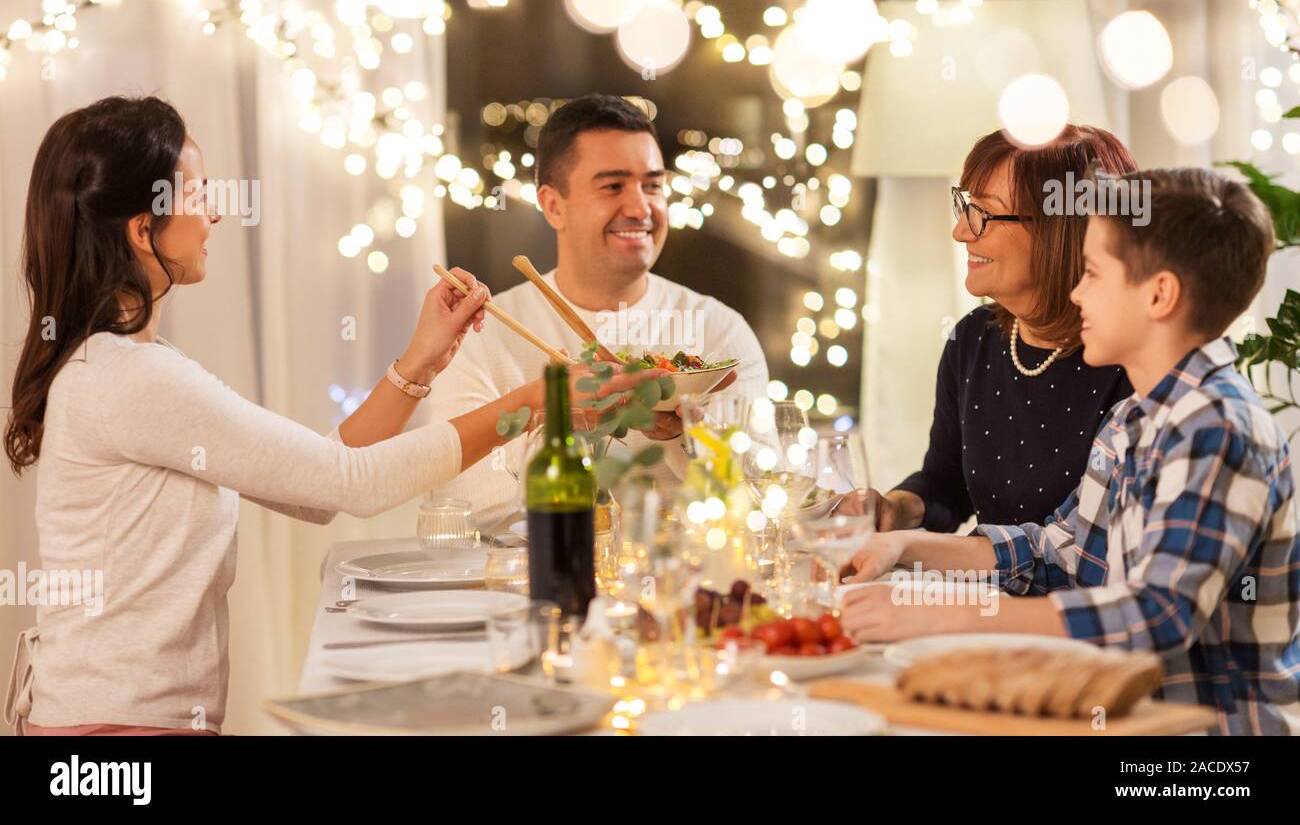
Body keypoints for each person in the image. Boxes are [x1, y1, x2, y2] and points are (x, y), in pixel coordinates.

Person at [2, 96, 656, 735]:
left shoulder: (126, 366)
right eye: (197, 195)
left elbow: (320, 484)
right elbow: (353, 484)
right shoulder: (132, 378)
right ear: (144, 232)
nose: (216, 215)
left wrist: (420, 361)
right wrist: (541, 396)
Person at [843, 167, 1299, 735]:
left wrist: (938, 611)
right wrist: (902, 548)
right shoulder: (1137, 418)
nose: (1076, 292)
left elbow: (1156, 616)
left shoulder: (1218, 430)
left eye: (1092, 273)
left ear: (1159, 294)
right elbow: (1053, 556)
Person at [428, 94, 768, 528]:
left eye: (653, 185)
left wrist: (684, 437)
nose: (641, 208)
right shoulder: (486, 332)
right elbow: (463, 506)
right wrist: (565, 428)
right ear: (553, 205)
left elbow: (758, 496)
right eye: (612, 186)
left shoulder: (718, 332)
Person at [842, 127, 1136, 533]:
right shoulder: (973, 339)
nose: (961, 231)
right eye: (965, 206)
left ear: (1060, 229)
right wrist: (895, 509)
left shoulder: (1131, 362)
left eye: (984, 213)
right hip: (989, 593)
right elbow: (947, 484)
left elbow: (1087, 553)